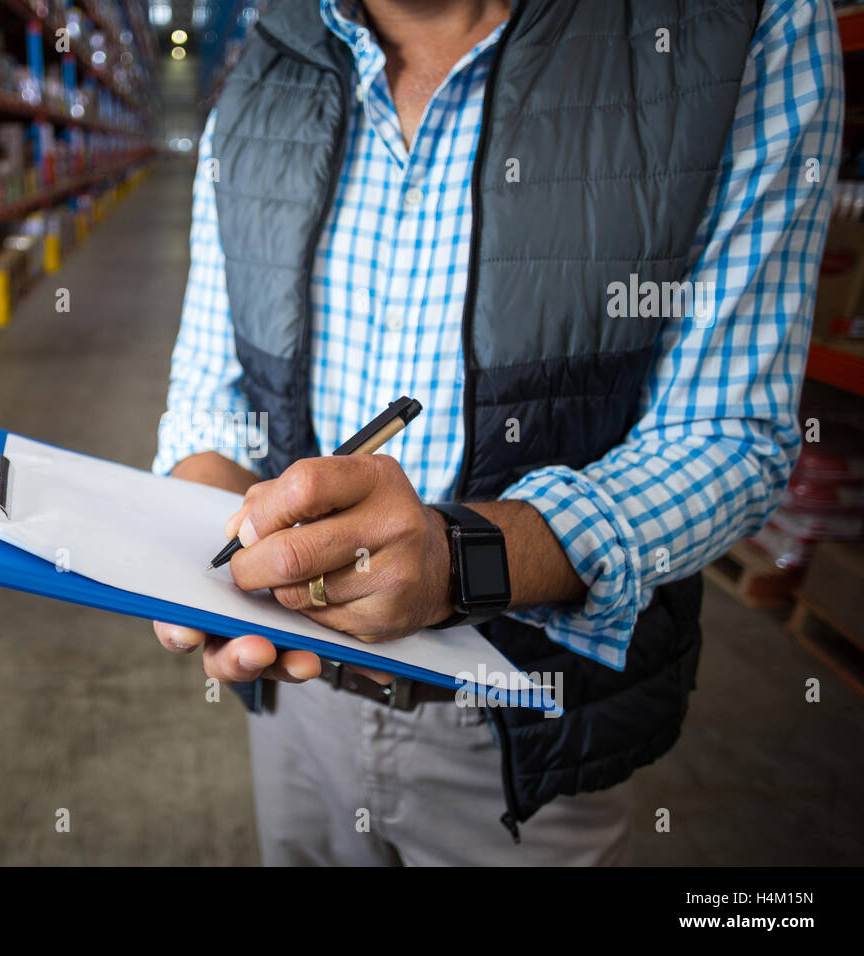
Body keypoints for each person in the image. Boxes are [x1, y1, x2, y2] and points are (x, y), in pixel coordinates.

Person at [152, 0, 842, 865]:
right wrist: (206, 538)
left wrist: (461, 559)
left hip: (525, 726)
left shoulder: (737, 26)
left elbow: (728, 430)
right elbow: (210, 390)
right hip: (294, 694)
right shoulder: (265, 63)